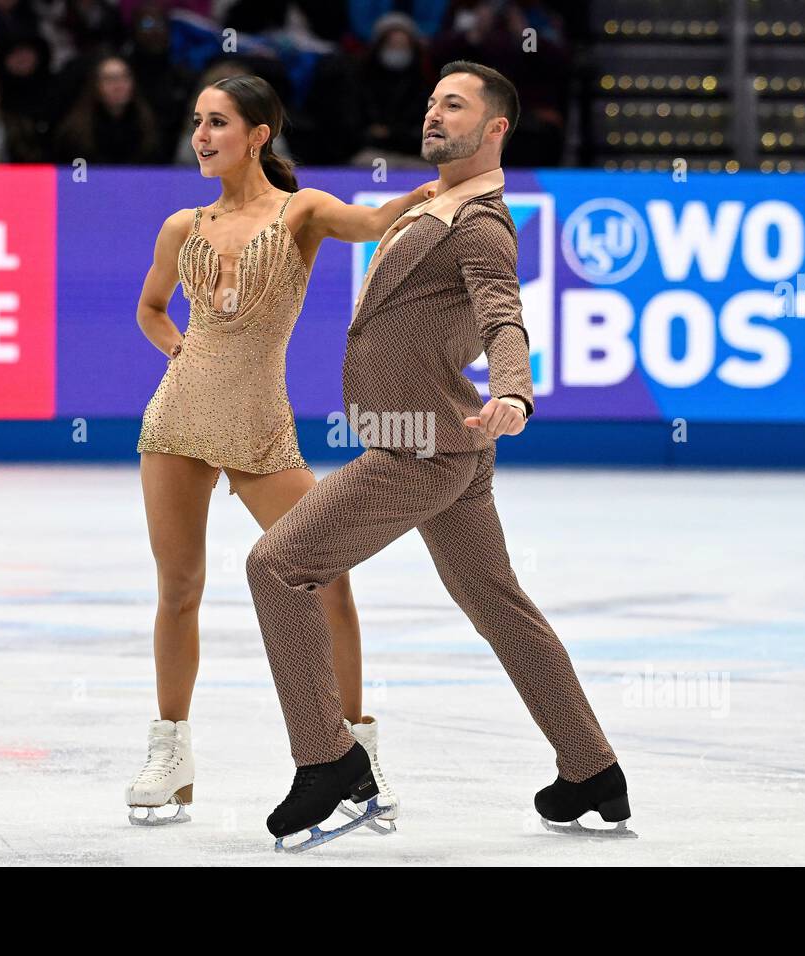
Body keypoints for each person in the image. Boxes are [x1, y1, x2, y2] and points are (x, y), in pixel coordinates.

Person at [245, 61, 629, 850]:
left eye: (453, 106)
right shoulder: (434, 204)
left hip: (416, 449)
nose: (432, 115)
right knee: (499, 606)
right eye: (430, 103)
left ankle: (327, 757)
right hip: (452, 443)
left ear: (495, 129)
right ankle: (592, 769)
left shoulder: (480, 221)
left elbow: (503, 314)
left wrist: (516, 391)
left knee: (276, 565)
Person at [125, 72, 437, 826]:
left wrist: (416, 203)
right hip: (176, 424)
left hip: (263, 427)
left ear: (259, 134)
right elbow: (151, 308)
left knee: (325, 579)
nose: (202, 136)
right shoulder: (180, 226)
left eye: (219, 123)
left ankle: (355, 751)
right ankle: (171, 753)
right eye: (198, 122)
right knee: (179, 589)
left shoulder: (303, 212)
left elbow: (368, 221)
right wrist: (179, 354)